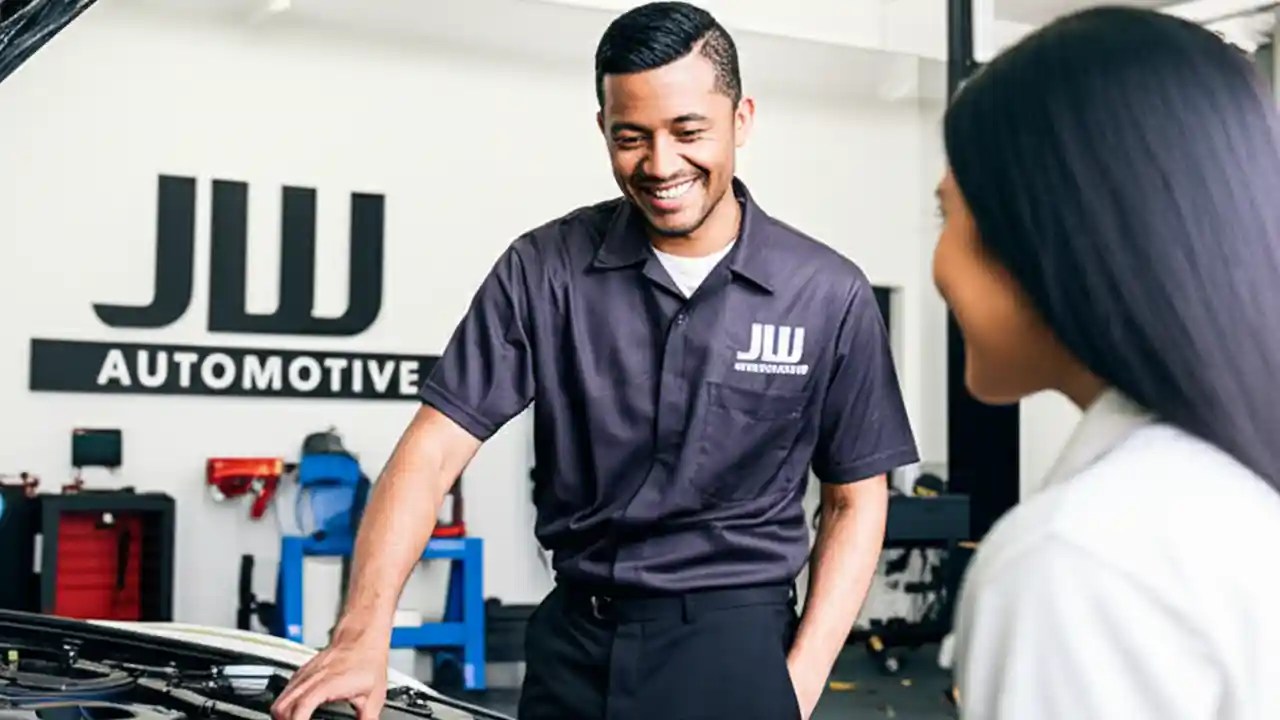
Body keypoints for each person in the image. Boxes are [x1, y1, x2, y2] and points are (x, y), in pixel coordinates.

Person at [270, 3, 918, 720]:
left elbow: (856, 497)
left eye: (688, 131)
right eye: (630, 137)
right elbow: (430, 452)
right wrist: (363, 634)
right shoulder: (543, 270)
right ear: (603, 129)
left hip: (736, 644)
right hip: (574, 644)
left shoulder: (825, 293)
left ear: (742, 120)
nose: (661, 164)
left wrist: (798, 682)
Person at [933, 6, 1280, 719]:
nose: (938, 266)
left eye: (949, 217)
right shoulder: (1227, 491)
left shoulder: (1075, 561)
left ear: (1046, 232)